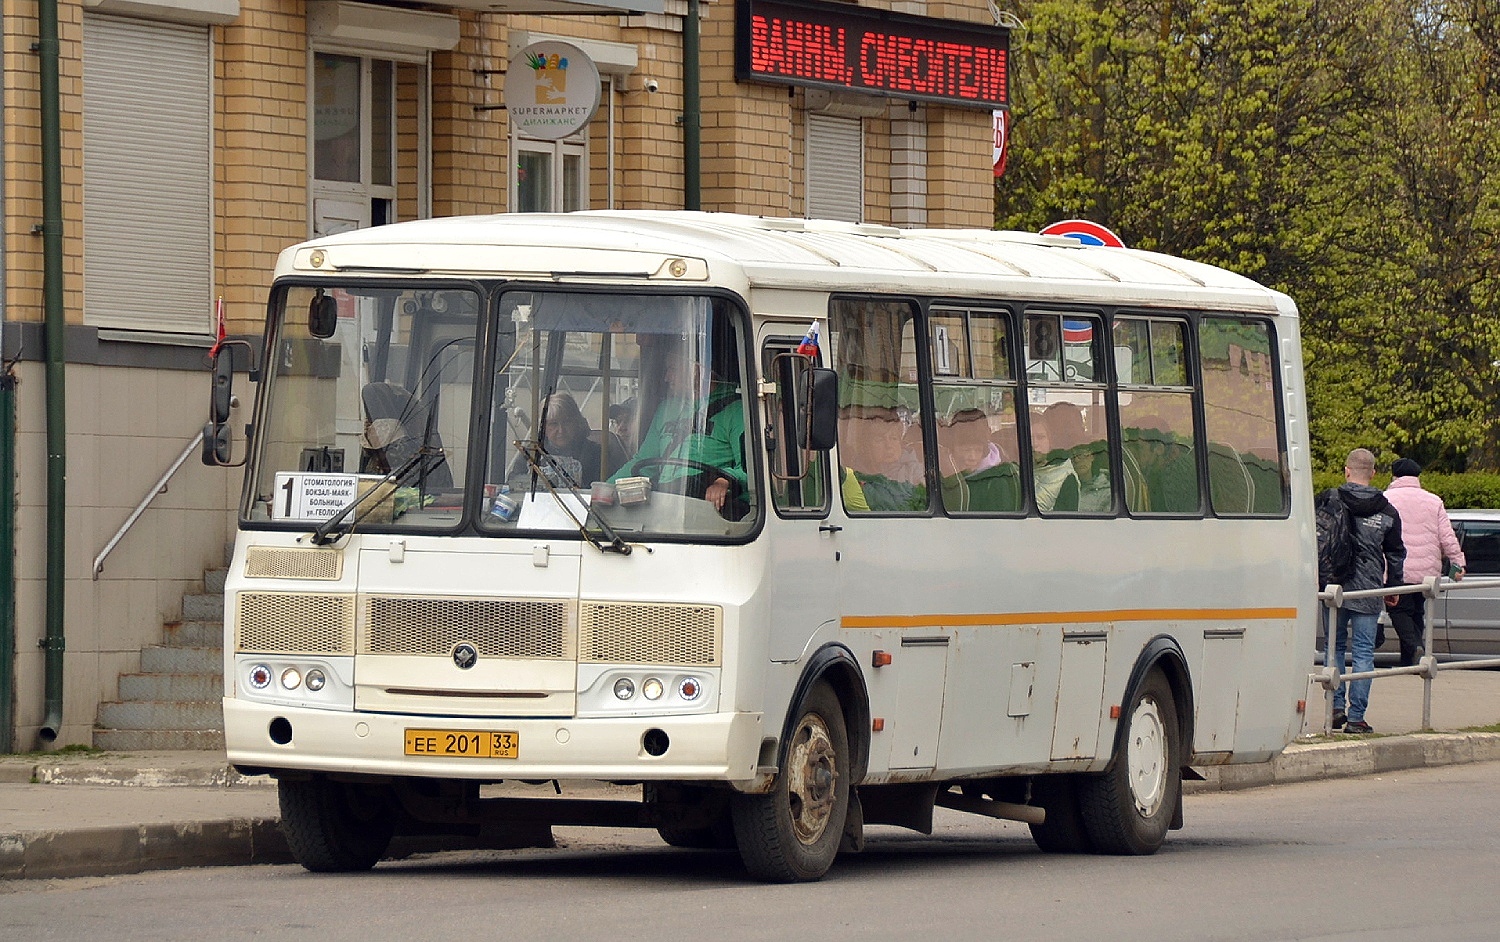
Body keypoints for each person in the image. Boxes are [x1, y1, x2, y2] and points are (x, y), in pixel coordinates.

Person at [1324, 448, 1406, 734]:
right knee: (1362, 652)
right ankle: (1357, 718)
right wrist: (1393, 586)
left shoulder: (1328, 500)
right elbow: (1395, 552)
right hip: (1369, 588)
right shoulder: (1386, 510)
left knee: (1333, 647)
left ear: (1346, 471)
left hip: (1333, 586)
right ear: (1372, 473)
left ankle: (1334, 707)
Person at [612, 349, 747, 516]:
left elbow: (751, 471)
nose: (667, 377)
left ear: (699, 371)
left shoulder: (737, 411)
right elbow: (644, 462)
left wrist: (724, 481)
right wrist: (607, 488)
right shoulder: (666, 409)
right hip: (664, 500)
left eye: (673, 369)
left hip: (707, 507)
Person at [1384, 457, 1466, 666]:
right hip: (1426, 573)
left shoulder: (1386, 499)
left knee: (1399, 610)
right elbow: (1447, 536)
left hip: (1397, 570)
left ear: (1395, 476)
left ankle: (1414, 648)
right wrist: (1458, 563)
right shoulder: (1433, 501)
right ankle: (1409, 661)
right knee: (1416, 612)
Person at [838, 405, 927, 512]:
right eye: (879, 439)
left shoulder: (915, 473)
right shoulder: (850, 475)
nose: (888, 445)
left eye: (894, 438)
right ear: (865, 446)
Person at [532, 392, 624, 485]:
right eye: (553, 424)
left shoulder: (598, 455)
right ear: (543, 427)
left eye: (567, 422)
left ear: (577, 422)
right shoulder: (533, 453)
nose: (561, 430)